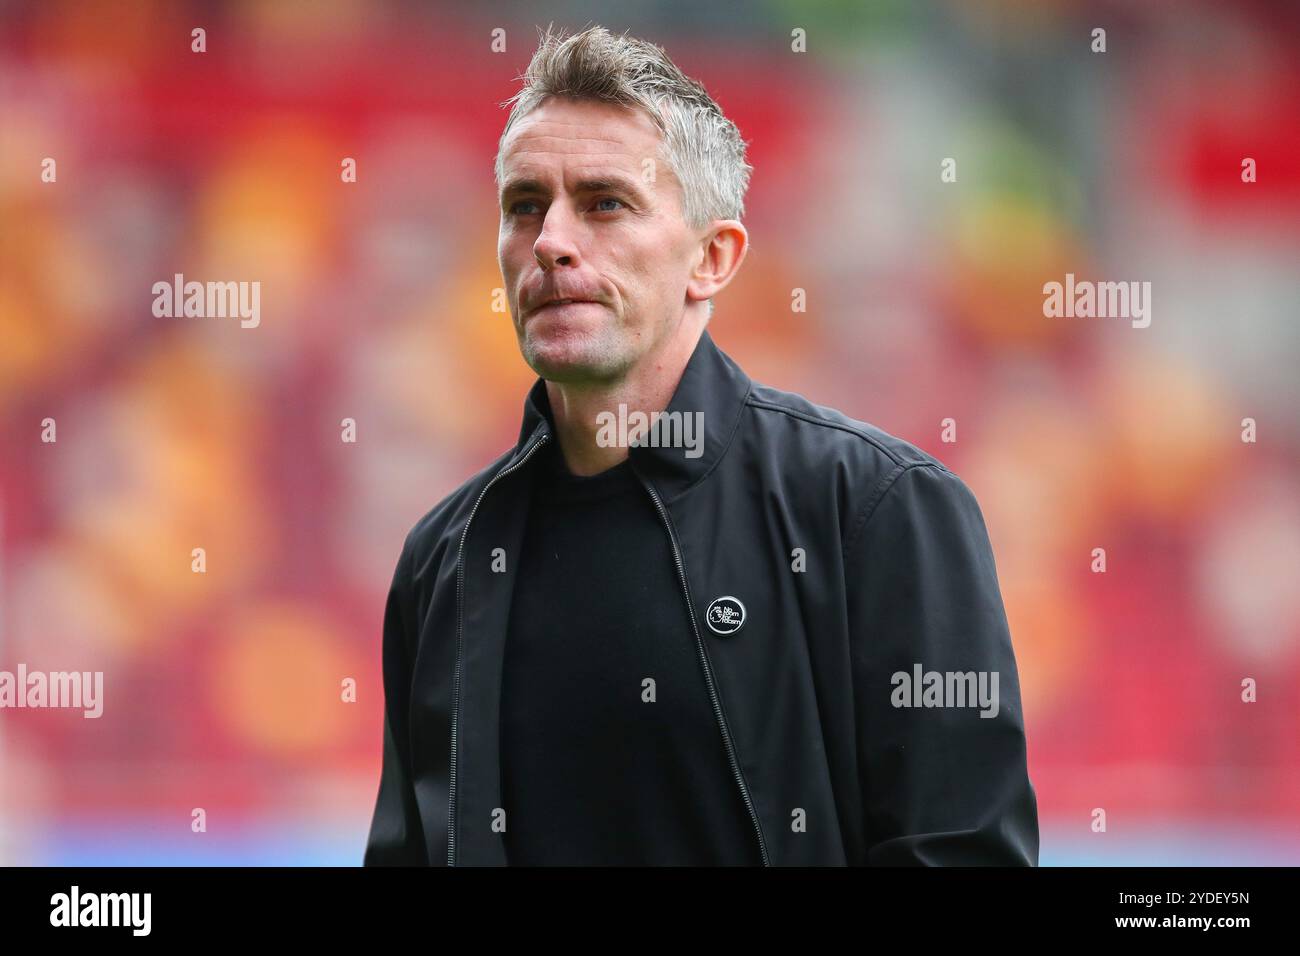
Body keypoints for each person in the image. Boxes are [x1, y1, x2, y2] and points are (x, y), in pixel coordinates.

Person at [364, 24, 1038, 866]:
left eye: (605, 203)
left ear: (712, 259)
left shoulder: (876, 509)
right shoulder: (443, 561)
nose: (550, 241)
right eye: (524, 205)